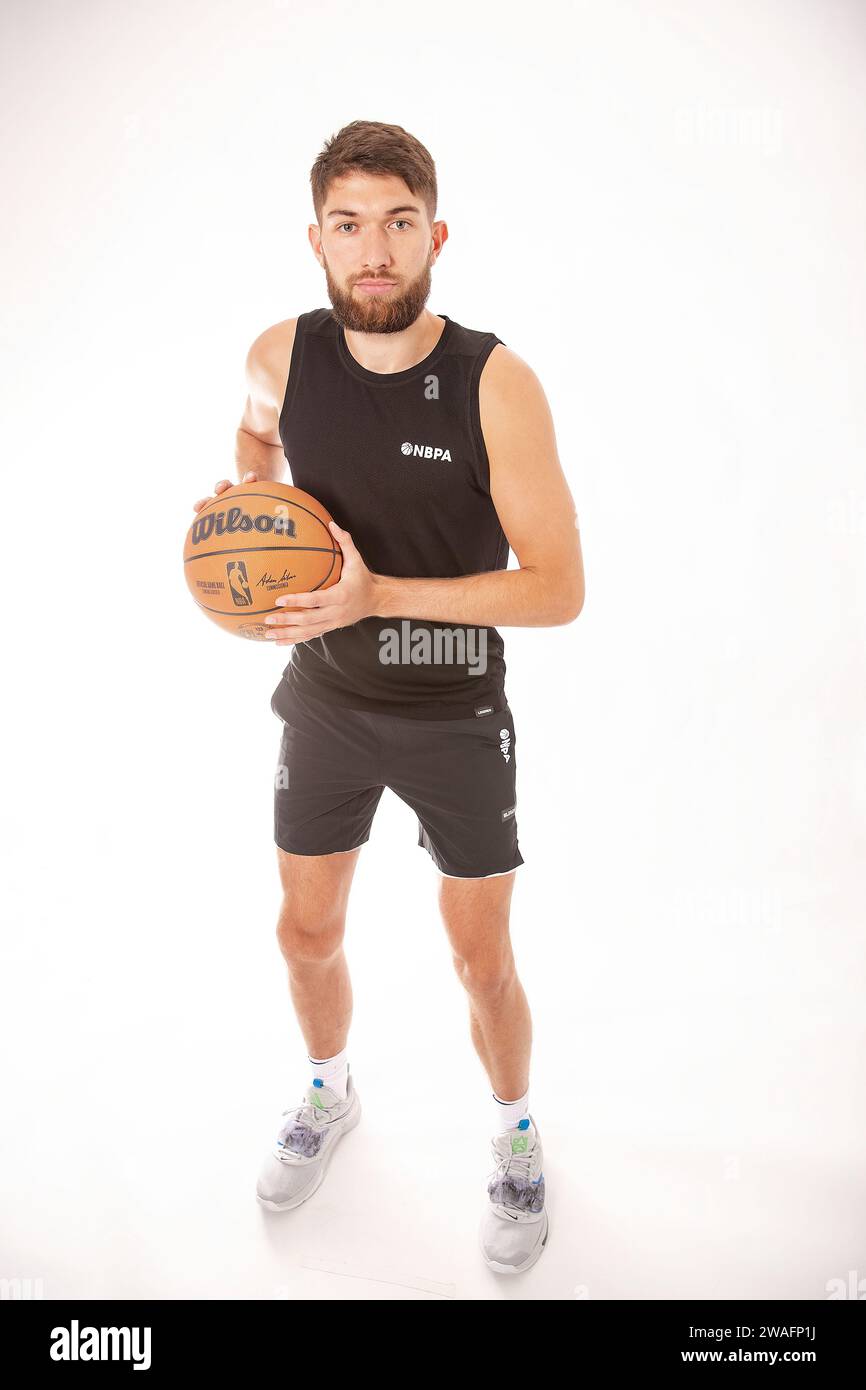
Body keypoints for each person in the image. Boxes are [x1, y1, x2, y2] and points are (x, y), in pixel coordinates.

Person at [192, 120, 584, 1275]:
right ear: (316, 237)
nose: (375, 250)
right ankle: (327, 1087)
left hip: (453, 707)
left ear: (435, 236)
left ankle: (514, 1132)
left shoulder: (493, 383)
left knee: (479, 963)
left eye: (398, 224)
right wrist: (251, 501)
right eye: (351, 225)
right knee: (302, 930)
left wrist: (370, 593)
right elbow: (253, 433)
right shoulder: (277, 351)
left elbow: (558, 589)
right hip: (322, 699)